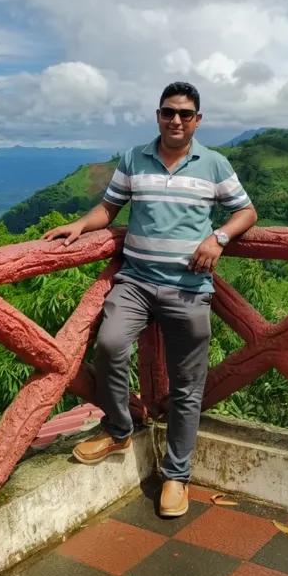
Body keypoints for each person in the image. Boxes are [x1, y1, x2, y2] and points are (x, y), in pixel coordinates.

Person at [42, 81, 257, 517]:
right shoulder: (133, 158)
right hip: (136, 282)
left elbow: (246, 212)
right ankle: (119, 428)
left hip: (189, 288)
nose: (175, 120)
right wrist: (81, 226)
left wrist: (218, 238)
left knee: (187, 385)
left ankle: (177, 475)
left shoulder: (214, 164)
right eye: (167, 112)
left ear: (197, 119)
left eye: (184, 113)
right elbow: (109, 208)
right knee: (110, 345)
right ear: (157, 115)